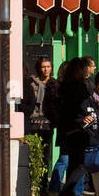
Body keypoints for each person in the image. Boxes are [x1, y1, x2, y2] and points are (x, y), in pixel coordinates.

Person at [55, 58, 96, 196]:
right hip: (77, 130)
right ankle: (65, 194)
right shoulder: (76, 86)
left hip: (69, 129)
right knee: (80, 163)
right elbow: (75, 108)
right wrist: (81, 119)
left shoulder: (65, 85)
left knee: (74, 163)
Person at [22, 57, 57, 189]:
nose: (46, 69)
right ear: (38, 68)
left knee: (46, 152)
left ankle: (43, 183)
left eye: (48, 66)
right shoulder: (32, 82)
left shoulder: (54, 83)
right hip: (33, 120)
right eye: (43, 67)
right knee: (33, 151)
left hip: (48, 121)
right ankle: (32, 182)